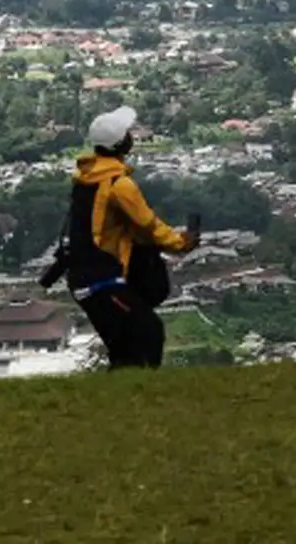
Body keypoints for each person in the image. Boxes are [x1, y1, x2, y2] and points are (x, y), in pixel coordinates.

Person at [58, 106, 197, 370]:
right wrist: (181, 242)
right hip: (100, 280)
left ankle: (126, 396)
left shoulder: (86, 177)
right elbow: (148, 226)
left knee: (125, 348)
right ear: (123, 143)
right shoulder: (119, 185)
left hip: (84, 275)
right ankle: (142, 392)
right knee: (148, 333)